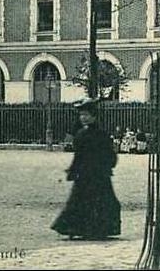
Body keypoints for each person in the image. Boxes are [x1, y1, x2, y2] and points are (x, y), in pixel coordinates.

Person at [51, 99, 121, 240]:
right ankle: (90, 229)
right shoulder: (82, 134)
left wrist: (107, 165)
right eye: (81, 115)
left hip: (96, 174)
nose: (83, 118)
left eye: (86, 115)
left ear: (94, 117)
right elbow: (79, 156)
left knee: (94, 201)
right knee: (86, 201)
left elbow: (109, 153)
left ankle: (89, 229)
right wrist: (73, 170)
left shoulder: (99, 134)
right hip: (89, 174)